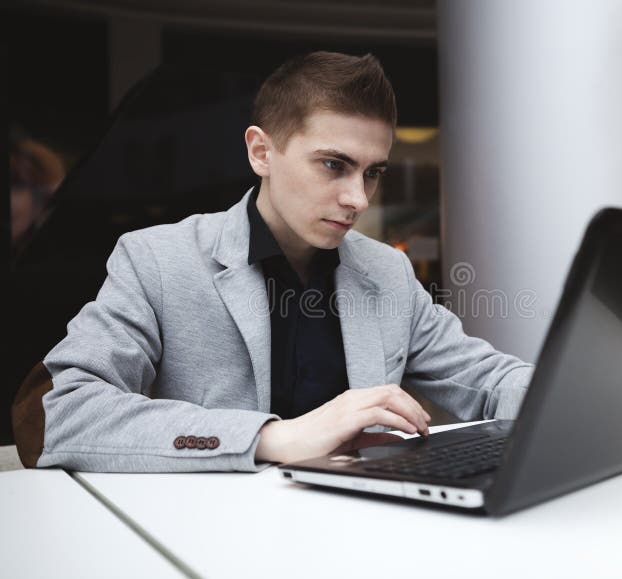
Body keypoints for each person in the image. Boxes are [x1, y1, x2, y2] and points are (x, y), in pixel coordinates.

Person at [12, 52, 533, 472]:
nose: (359, 199)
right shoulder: (157, 258)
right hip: (206, 542)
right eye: (334, 165)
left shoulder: (386, 272)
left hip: (367, 534)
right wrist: (271, 437)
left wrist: (575, 400)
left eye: (373, 172)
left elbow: (486, 378)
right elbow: (64, 414)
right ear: (261, 152)